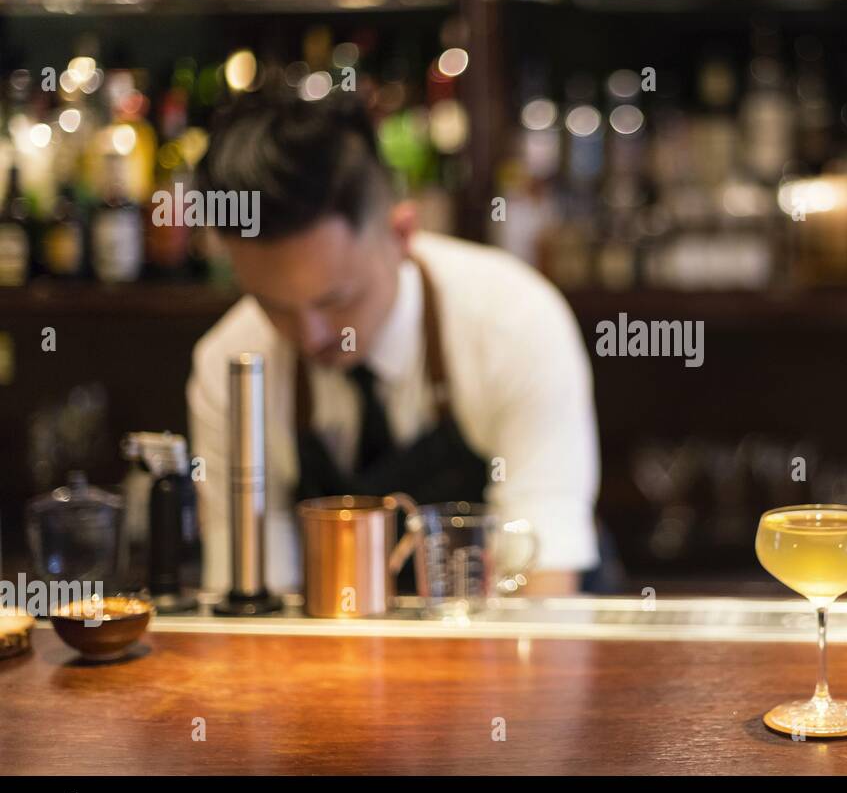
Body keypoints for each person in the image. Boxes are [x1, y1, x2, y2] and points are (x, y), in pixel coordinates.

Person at [187, 90, 600, 596]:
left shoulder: (515, 322)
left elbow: (542, 579)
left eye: (337, 300)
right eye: (272, 305)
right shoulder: (231, 363)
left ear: (401, 232)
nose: (312, 335)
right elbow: (256, 595)